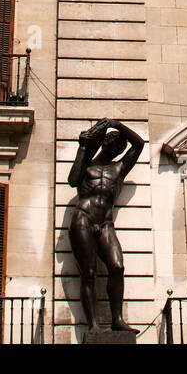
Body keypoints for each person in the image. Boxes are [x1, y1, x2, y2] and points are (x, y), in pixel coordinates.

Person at [67, 118, 144, 331]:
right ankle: (93, 325)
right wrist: (83, 148)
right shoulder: (87, 165)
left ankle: (117, 319)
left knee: (117, 267)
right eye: (114, 144)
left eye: (120, 147)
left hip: (106, 224)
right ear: (104, 143)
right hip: (83, 219)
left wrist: (117, 125)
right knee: (89, 272)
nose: (117, 149)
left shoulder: (119, 169)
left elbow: (139, 145)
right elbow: (73, 180)